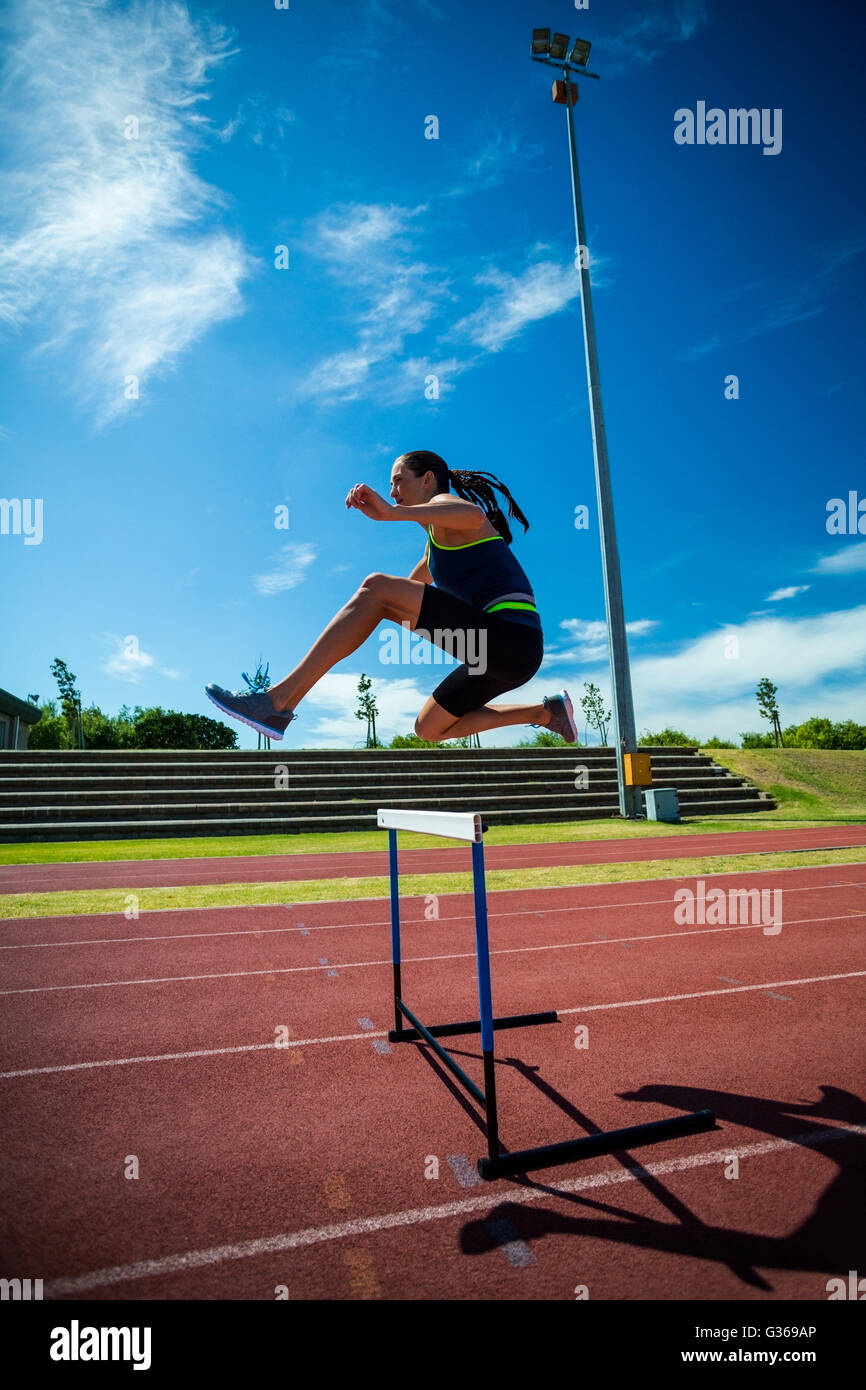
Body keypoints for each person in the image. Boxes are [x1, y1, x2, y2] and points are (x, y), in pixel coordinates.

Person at [205, 450, 577, 744]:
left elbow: (471, 513)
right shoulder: (433, 553)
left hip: (512, 638)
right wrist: (365, 621)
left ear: (428, 479)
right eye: (391, 486)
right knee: (430, 727)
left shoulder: (458, 515)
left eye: (398, 481)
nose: (393, 491)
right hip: (501, 659)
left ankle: (277, 703)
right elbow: (402, 599)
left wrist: (392, 513)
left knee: (377, 587)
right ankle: (545, 713)